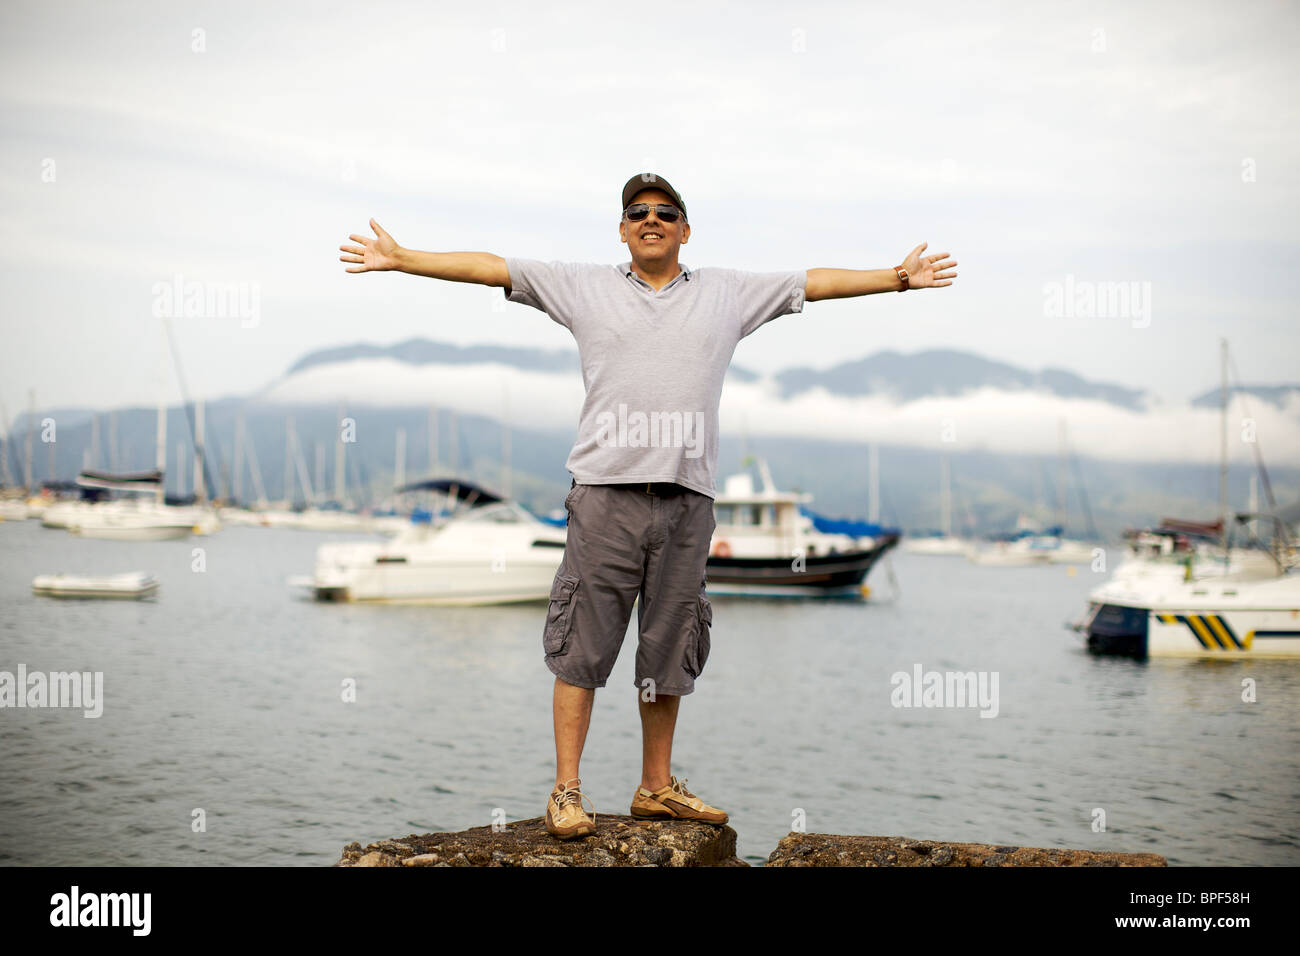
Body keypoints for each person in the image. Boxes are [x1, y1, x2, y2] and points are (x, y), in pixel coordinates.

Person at [339, 173, 957, 839]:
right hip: (606, 495)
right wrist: (405, 260)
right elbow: (493, 268)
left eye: (666, 211)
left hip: (688, 500)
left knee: (669, 648)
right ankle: (566, 791)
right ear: (623, 229)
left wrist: (897, 277)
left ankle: (655, 787)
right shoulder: (583, 286)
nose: (651, 219)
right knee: (582, 644)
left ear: (685, 229)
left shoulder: (727, 292)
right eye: (638, 211)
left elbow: (814, 282)